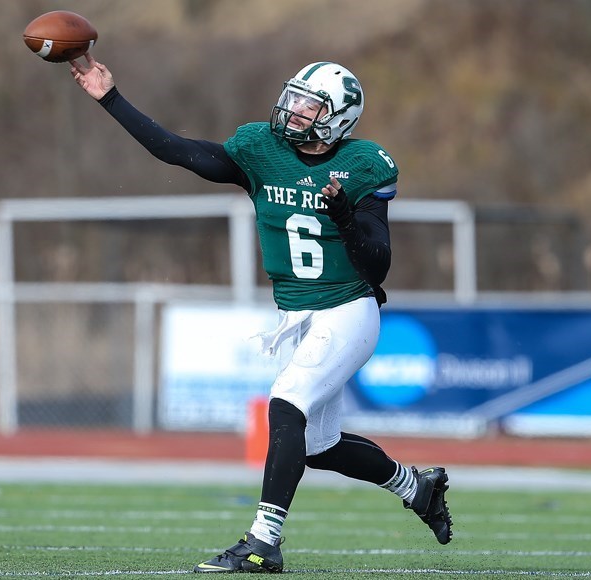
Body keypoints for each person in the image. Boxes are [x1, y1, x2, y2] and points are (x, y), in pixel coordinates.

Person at [66, 53, 453, 574]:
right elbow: (178, 152)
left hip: (348, 309)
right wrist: (110, 97)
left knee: (286, 402)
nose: (292, 113)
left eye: (308, 107)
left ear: (337, 117)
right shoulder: (261, 149)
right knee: (318, 446)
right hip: (295, 315)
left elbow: (377, 264)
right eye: (293, 100)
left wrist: (343, 215)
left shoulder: (363, 164)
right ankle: (416, 486)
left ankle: (262, 542)